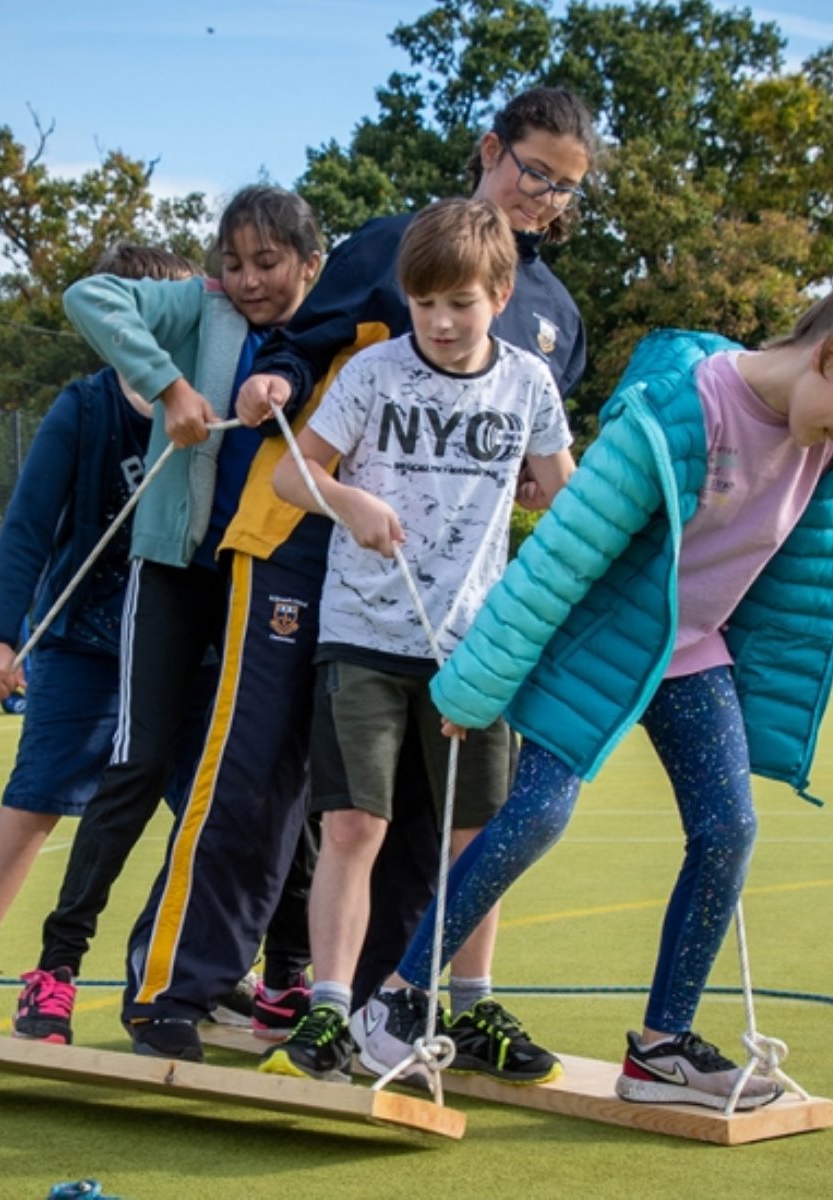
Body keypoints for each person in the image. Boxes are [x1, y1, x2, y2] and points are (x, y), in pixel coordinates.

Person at [364, 275, 833, 1109]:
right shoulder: (681, 410)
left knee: (728, 829)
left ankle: (663, 1050)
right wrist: (474, 686)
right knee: (537, 815)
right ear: (831, 354)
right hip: (606, 635)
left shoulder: (832, 448)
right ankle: (396, 1002)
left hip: (694, 647)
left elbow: (793, 582)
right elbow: (564, 552)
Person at [117, 86, 599, 1066]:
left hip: (448, 605)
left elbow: (543, 465)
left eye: (565, 188)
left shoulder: (555, 318)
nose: (544, 196)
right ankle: (181, 989)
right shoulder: (391, 244)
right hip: (304, 545)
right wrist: (276, 382)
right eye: (533, 171)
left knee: (426, 817)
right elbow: (301, 347)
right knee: (258, 774)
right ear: (490, 151)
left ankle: (388, 1007)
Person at [254, 197, 575, 1085]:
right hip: (361, 638)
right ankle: (329, 1011)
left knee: (477, 836)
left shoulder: (529, 384)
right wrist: (347, 500)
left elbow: (566, 495)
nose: (439, 321)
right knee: (353, 825)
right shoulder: (373, 372)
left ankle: (471, 1007)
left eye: (460, 303)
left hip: (476, 652)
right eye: (424, 302)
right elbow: (291, 473)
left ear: (500, 295)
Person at [12, 186, 323, 1049]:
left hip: (270, 579)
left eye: (268, 263)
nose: (248, 280)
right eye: (234, 262)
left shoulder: (329, 327)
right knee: (137, 762)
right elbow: (90, 296)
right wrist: (172, 386)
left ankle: (281, 976)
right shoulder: (201, 305)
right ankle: (56, 969)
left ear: (311, 263)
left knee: (275, 775)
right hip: (177, 571)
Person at [0, 244, 200, 1032]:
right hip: (85, 641)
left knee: (213, 810)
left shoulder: (210, 402)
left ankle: (184, 972)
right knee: (36, 797)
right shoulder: (85, 408)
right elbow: (27, 527)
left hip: (185, 648)